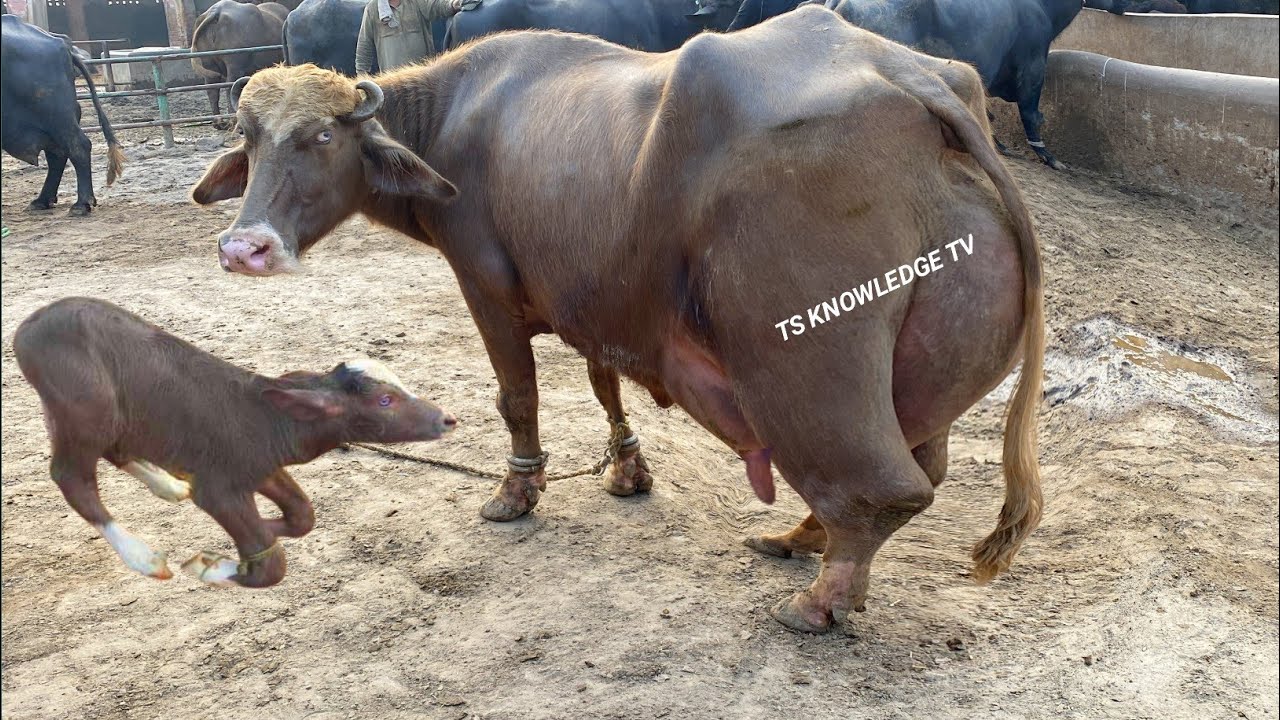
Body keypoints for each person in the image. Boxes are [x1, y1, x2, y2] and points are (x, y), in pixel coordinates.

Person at [355, 0, 464, 75]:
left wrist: (454, 4)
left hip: (423, 78)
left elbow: (437, 7)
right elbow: (364, 47)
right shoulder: (372, 10)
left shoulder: (417, 2)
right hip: (393, 84)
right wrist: (361, 79)